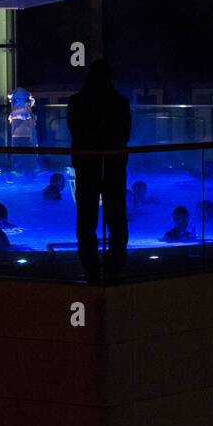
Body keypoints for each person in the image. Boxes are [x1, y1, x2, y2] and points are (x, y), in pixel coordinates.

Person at [67, 59, 132, 283]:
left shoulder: (76, 102)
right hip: (113, 165)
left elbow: (74, 130)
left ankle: (90, 265)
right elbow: (125, 133)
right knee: (117, 217)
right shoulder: (120, 103)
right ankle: (116, 264)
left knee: (86, 219)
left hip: (87, 165)